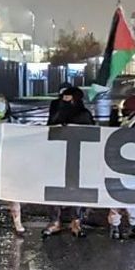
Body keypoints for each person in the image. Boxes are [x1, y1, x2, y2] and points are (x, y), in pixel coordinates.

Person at [43, 86, 94, 238]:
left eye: (67, 97)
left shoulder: (83, 114)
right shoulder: (56, 109)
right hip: (57, 156)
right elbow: (50, 127)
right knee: (54, 186)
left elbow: (91, 133)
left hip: (77, 158)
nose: (63, 99)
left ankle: (76, 221)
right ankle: (54, 221)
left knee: (76, 188)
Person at [0, 94, 26, 235]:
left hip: (10, 162)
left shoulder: (14, 121)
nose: (0, 104)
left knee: (13, 193)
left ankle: (17, 222)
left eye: (3, 102)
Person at [108, 95, 135, 239]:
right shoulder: (128, 120)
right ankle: (115, 225)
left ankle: (132, 225)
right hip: (119, 164)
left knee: (130, 199)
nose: (124, 111)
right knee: (115, 198)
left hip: (133, 167)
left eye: (126, 109)